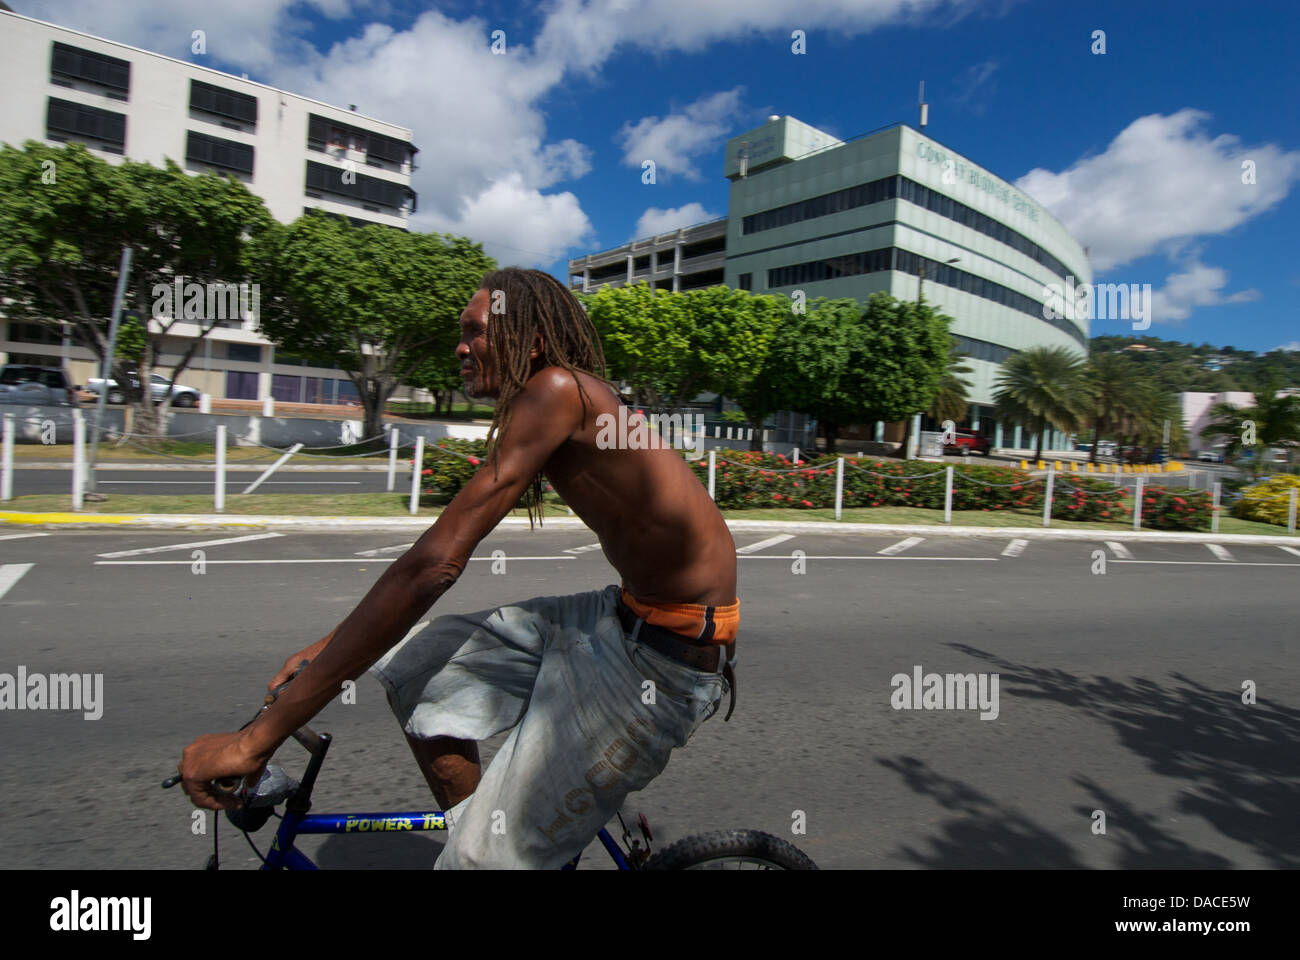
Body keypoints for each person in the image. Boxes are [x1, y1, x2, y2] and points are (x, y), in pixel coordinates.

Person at [177, 267, 739, 868]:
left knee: (477, 863)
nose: (460, 346)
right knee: (414, 667)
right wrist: (329, 648)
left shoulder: (557, 390)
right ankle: (519, 837)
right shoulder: (556, 397)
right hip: (619, 614)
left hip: (668, 656)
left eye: (476, 331)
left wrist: (253, 741)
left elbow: (433, 564)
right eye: (460, 332)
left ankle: (500, 851)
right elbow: (426, 565)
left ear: (529, 342)